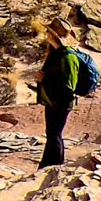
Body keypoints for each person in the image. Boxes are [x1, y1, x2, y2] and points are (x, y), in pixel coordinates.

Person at [35, 22, 76, 168]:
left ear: (55, 36)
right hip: (52, 100)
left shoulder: (68, 57)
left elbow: (69, 85)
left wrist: (44, 79)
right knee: (52, 133)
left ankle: (55, 164)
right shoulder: (55, 53)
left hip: (61, 102)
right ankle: (47, 164)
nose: (46, 34)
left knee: (55, 133)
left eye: (49, 32)